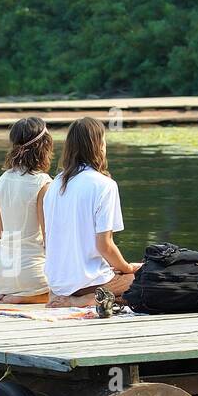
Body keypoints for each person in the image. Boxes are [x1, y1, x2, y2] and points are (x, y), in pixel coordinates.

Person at [42, 116, 141, 309]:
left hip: (58, 284)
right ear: (98, 146)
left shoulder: (54, 185)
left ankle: (80, 297)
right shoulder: (104, 185)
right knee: (144, 279)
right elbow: (104, 245)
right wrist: (127, 268)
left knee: (124, 272)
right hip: (87, 283)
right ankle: (86, 300)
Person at [0, 117, 53, 304]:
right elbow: (49, 238)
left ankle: (7, 293)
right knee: (69, 293)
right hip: (31, 272)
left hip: (0, 271)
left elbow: (1, 234)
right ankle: (21, 298)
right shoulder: (43, 183)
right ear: (44, 147)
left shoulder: (2, 180)